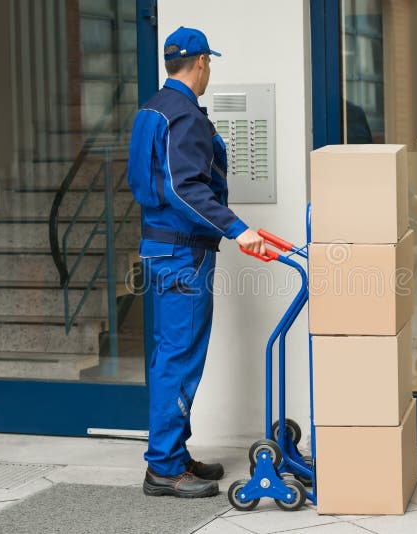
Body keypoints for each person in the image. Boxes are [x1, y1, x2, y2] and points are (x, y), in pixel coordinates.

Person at [127, 26, 266, 498]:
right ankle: (164, 467)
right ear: (202, 62)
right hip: (183, 255)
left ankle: (174, 453)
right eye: (209, 63)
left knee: (171, 354)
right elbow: (185, 189)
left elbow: (152, 184)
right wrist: (239, 229)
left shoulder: (151, 109)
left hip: (162, 250)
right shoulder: (183, 115)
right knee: (178, 359)